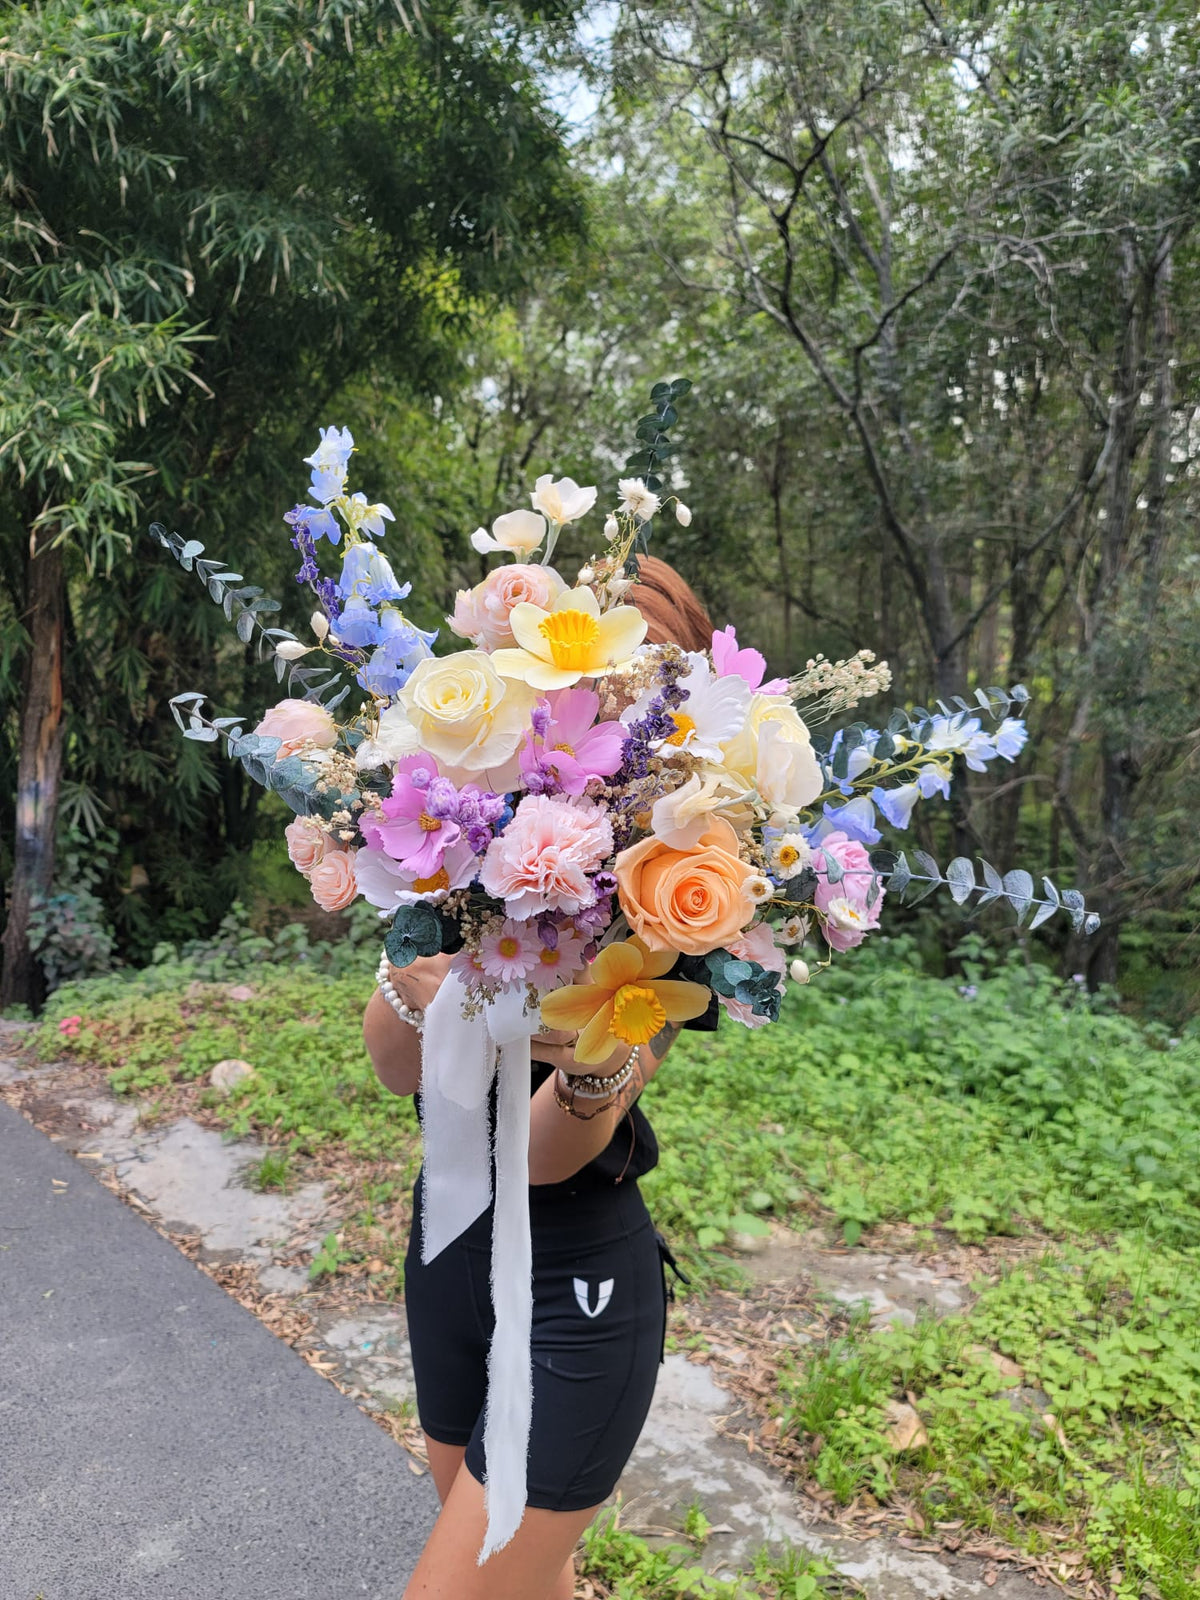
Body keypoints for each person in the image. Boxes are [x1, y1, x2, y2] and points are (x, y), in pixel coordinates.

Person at [363, 558, 715, 1600]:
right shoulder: (464, 837)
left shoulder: (668, 896)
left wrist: (602, 1067)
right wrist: (418, 974)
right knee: (531, 1582)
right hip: (448, 1253)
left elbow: (552, 1155)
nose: (609, 688)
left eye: (641, 668)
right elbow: (392, 1069)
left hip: (572, 1285)